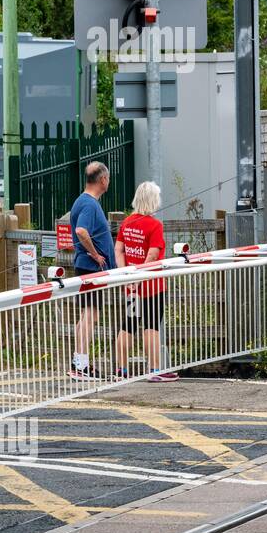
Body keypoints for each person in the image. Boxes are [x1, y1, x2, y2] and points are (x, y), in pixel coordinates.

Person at [114, 181, 178, 382]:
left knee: (128, 325)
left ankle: (121, 370)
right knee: (151, 326)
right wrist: (141, 277)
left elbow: (118, 250)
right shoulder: (155, 225)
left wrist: (127, 275)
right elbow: (152, 255)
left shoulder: (127, 222)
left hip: (131, 286)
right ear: (153, 200)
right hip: (152, 285)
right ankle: (154, 370)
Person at [69, 162, 114, 380]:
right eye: (109, 178)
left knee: (87, 314)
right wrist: (96, 255)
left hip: (86, 266)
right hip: (90, 267)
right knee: (91, 315)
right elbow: (81, 230)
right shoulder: (89, 205)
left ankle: (79, 361)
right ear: (103, 179)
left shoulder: (83, 201)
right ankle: (81, 364)